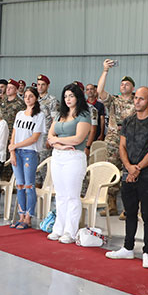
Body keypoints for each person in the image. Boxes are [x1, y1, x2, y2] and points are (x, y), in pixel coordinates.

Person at [106, 87, 148, 267]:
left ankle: (147, 252)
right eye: (136, 98)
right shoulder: (128, 121)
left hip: (147, 175)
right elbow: (122, 147)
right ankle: (128, 248)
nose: (137, 101)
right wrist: (129, 168)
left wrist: (137, 168)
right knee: (129, 212)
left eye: (141, 99)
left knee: (147, 213)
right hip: (128, 173)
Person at [46, 84, 92, 243]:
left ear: (78, 97)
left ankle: (70, 232)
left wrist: (58, 140)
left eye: (71, 96)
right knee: (60, 195)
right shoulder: (60, 114)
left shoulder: (84, 114)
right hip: (58, 156)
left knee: (72, 196)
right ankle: (58, 229)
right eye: (66, 96)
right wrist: (60, 144)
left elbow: (78, 138)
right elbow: (50, 136)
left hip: (74, 157)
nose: (68, 99)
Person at [97, 60, 137, 216]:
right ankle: (111, 204)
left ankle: (128, 207)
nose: (124, 86)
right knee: (112, 171)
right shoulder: (114, 101)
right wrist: (105, 71)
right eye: (122, 84)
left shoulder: (137, 102)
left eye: (127, 84)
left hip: (131, 142)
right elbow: (100, 91)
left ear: (132, 88)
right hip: (114, 141)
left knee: (129, 173)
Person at [8, 86, 46, 229]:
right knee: (20, 185)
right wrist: (12, 150)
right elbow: (14, 133)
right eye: (25, 96)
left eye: (30, 96)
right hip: (17, 152)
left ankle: (28, 217)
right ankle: (21, 215)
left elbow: (34, 138)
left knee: (29, 185)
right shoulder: (19, 114)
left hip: (29, 152)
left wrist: (15, 145)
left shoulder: (39, 115)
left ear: (36, 98)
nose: (27, 99)